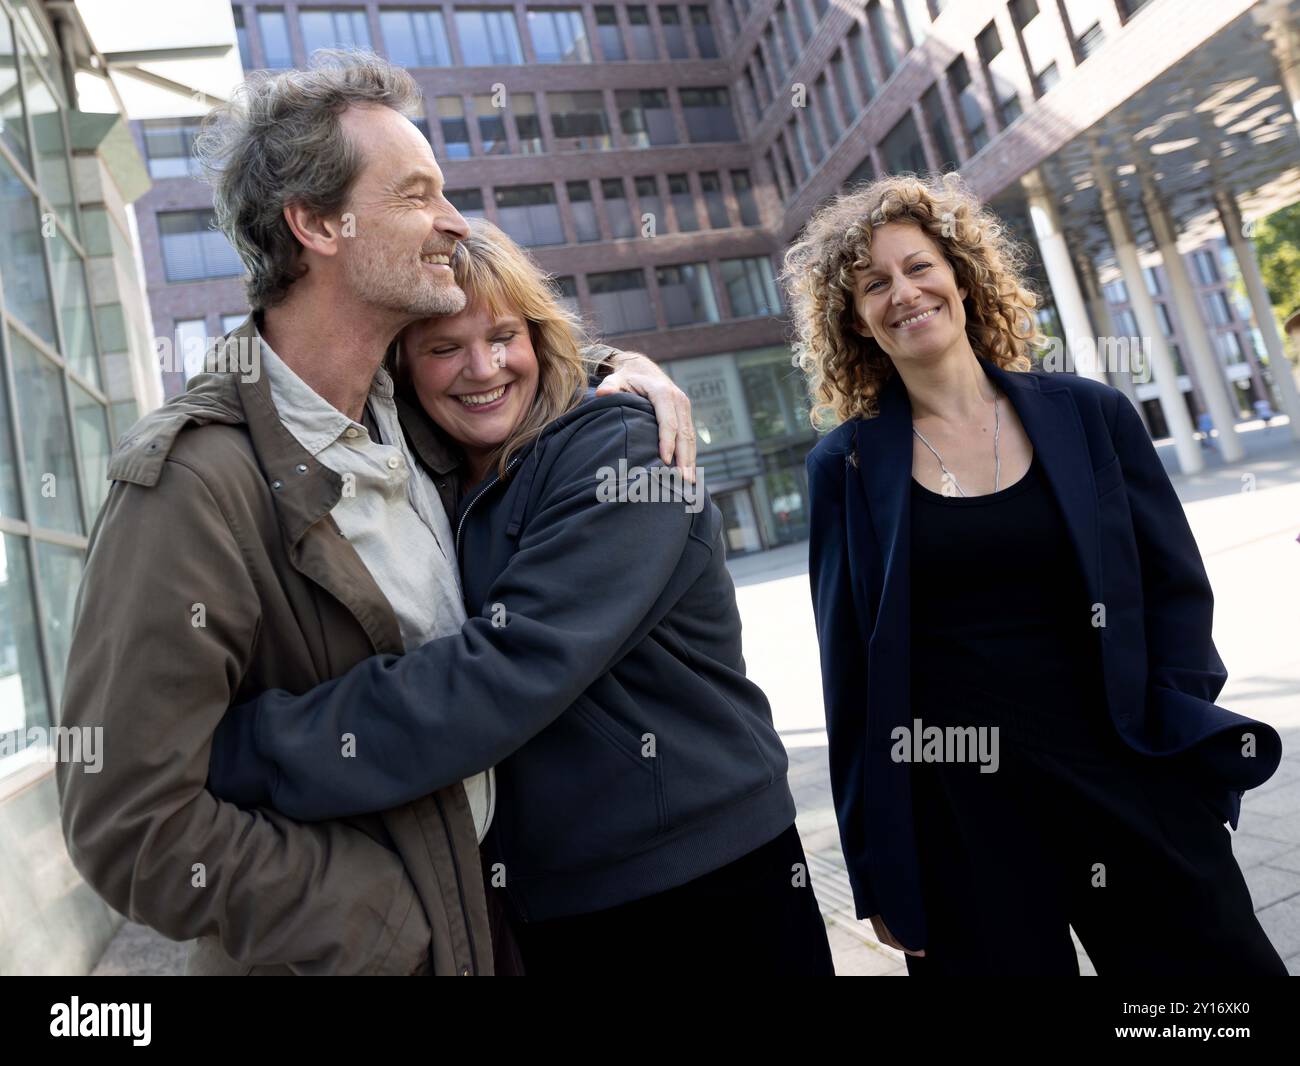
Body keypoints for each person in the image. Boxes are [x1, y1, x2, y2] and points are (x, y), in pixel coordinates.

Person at [56, 52, 691, 976]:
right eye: (416, 195)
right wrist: (376, 922)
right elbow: (130, 823)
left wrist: (617, 377)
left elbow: (501, 369)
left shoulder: (414, 421)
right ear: (316, 223)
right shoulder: (190, 486)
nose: (453, 222)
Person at [205, 217, 836, 976]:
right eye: (444, 348)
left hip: (706, 886)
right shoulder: (434, 474)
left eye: (504, 336)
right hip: (554, 900)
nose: (483, 367)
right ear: (402, 368)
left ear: (539, 335)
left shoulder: (624, 449)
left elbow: (502, 670)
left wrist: (246, 748)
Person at [783, 172, 1286, 976]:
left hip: (1125, 775)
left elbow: (1176, 595)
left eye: (918, 267)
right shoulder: (842, 467)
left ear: (960, 275)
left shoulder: (1089, 416)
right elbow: (850, 671)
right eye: (872, 285)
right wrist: (878, 860)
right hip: (960, 817)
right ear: (855, 322)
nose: (902, 294)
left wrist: (1176, 749)